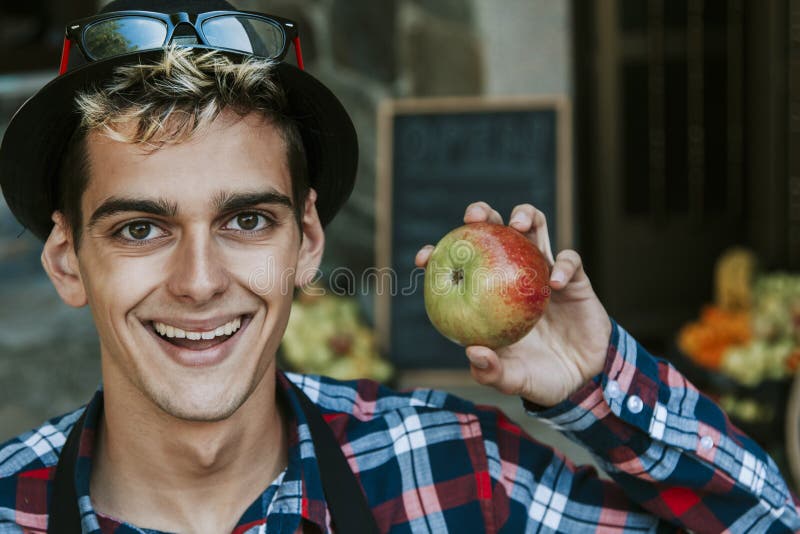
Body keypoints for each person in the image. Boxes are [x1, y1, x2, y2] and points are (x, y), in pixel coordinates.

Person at [0, 1, 797, 533]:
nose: (201, 281)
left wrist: (597, 382)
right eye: (141, 228)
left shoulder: (454, 470)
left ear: (308, 242)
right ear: (68, 261)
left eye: (247, 220)